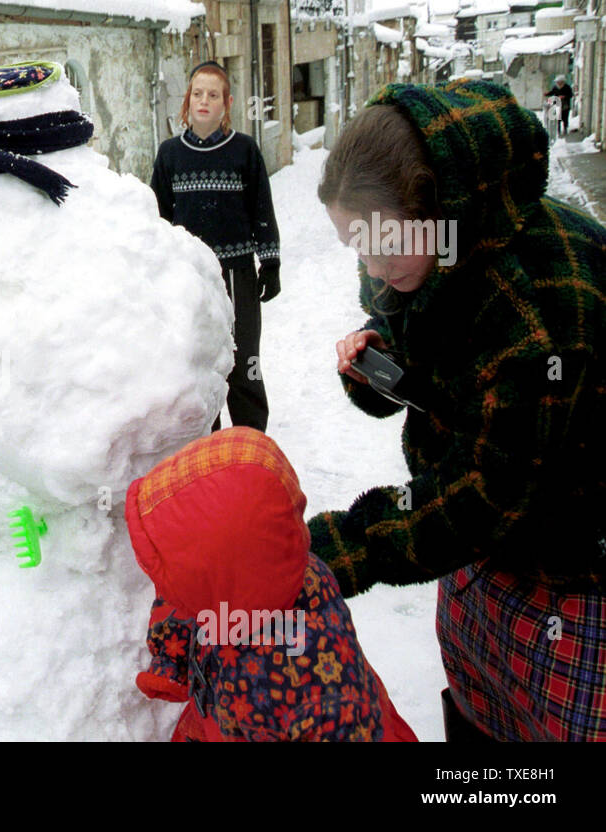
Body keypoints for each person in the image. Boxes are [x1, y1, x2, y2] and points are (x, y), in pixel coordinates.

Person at [312, 80, 606, 741]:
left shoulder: (536, 317)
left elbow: (478, 499)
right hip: (487, 550)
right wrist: (379, 362)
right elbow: (440, 368)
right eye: (356, 248)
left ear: (441, 209)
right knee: (478, 721)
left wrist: (330, 554)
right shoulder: (426, 249)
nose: (372, 270)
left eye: (383, 250)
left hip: (575, 567)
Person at [126, 427, 418, 741]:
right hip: (217, 717)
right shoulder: (254, 577)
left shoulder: (322, 690)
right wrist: (171, 655)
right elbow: (184, 601)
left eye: (166, 567)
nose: (157, 579)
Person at [150, 60, 281, 432]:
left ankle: (250, 444)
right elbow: (155, 218)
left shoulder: (244, 151)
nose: (203, 101)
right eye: (197, 93)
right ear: (187, 101)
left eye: (213, 94)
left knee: (244, 364)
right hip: (190, 279)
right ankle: (209, 450)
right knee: (200, 363)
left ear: (227, 103)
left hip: (237, 275)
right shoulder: (170, 155)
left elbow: (262, 209)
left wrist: (270, 262)